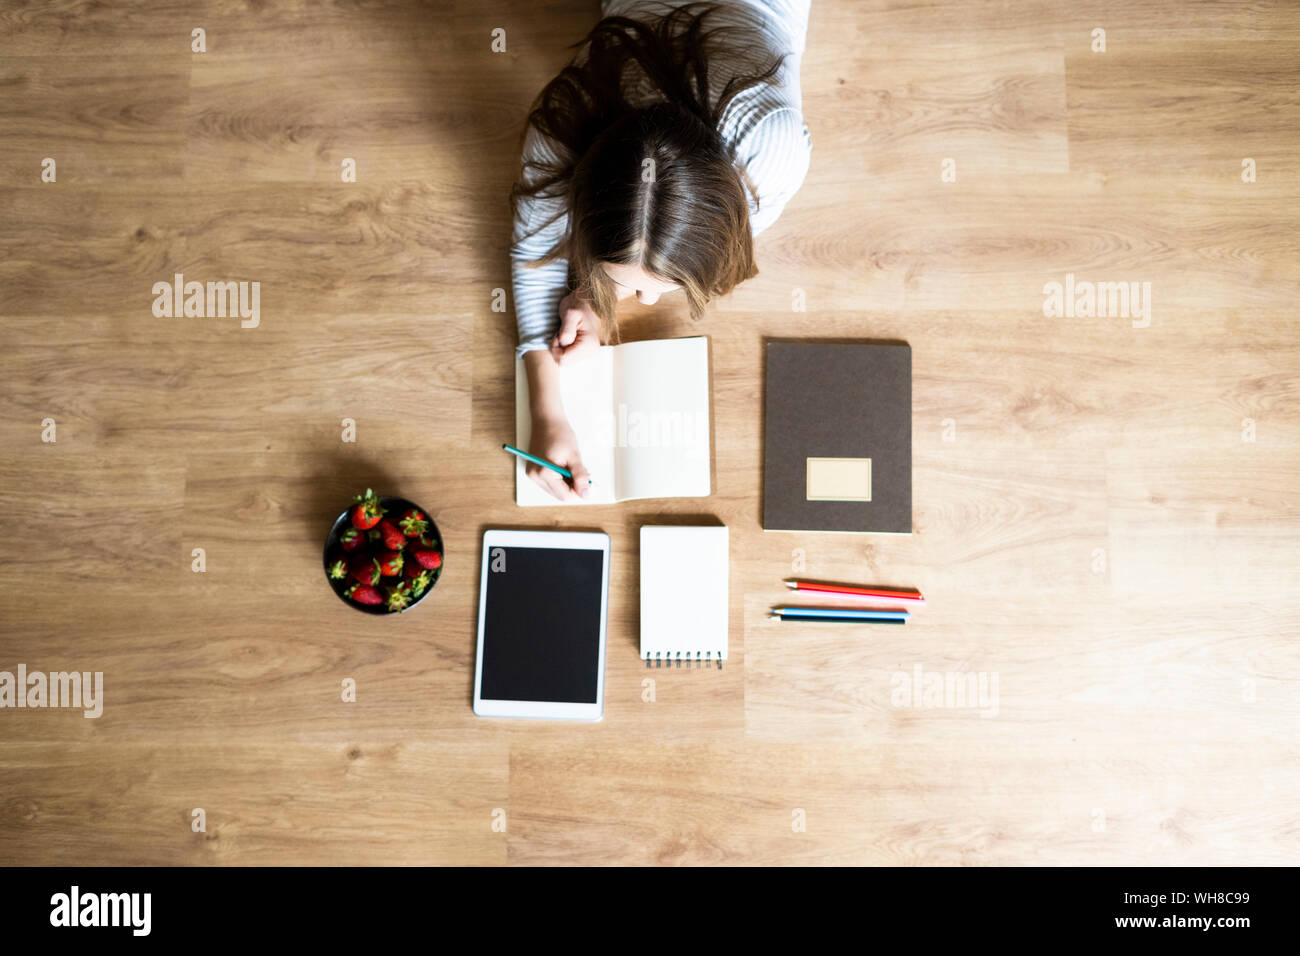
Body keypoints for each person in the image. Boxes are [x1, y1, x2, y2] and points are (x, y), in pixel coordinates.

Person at [510, 0, 812, 500]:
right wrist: (547, 412)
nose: (645, 302)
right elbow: (532, 256)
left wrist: (603, 290)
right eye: (635, 288)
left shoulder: (773, 150)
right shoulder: (561, 127)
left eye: (656, 288)